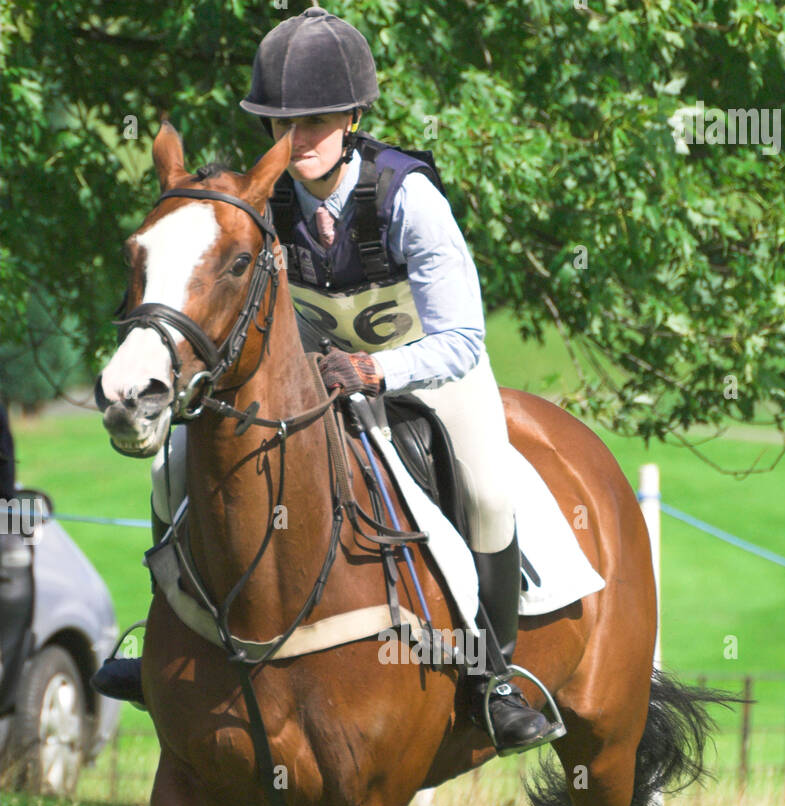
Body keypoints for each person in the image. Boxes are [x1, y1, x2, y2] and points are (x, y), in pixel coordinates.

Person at [95, 6, 558, 753]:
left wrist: (376, 368)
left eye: (315, 120)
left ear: (352, 116)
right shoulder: (261, 201)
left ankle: (492, 678)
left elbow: (462, 339)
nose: (297, 138)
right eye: (281, 121)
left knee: (486, 491)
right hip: (315, 381)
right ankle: (160, 642)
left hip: (424, 371)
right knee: (171, 463)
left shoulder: (407, 198)